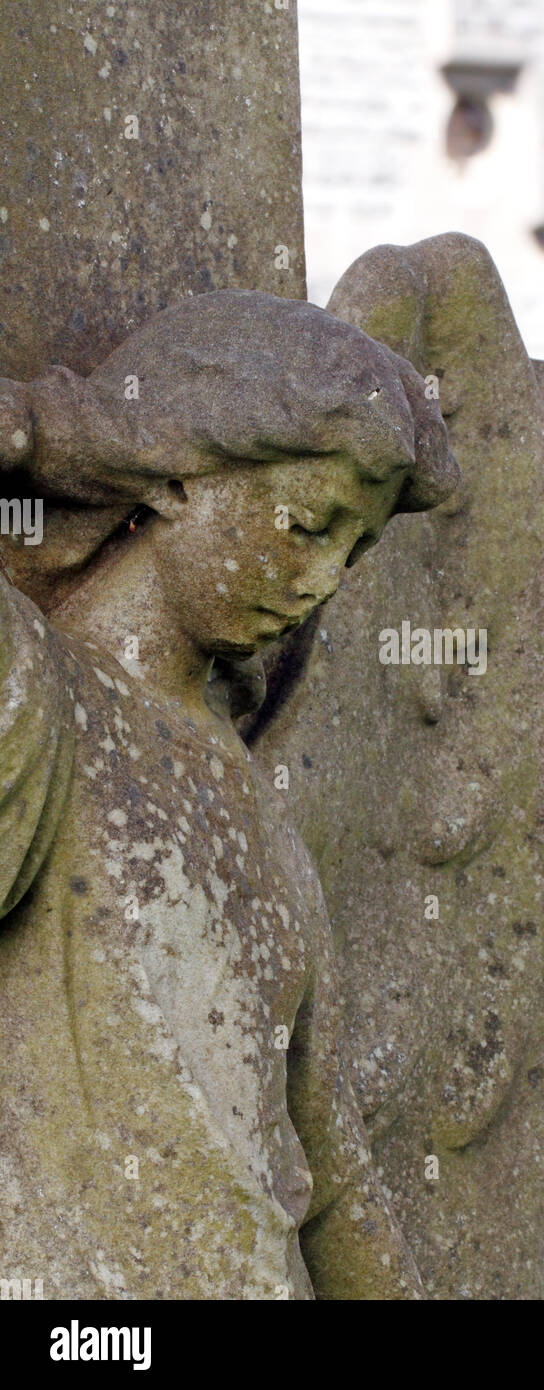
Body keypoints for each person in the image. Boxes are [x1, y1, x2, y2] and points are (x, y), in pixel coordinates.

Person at [0, 289, 458, 1299]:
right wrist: (37, 430)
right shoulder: (38, 695)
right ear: (174, 476)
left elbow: (330, 1168)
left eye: (356, 550)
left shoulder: (251, 802)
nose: (323, 579)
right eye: (306, 524)